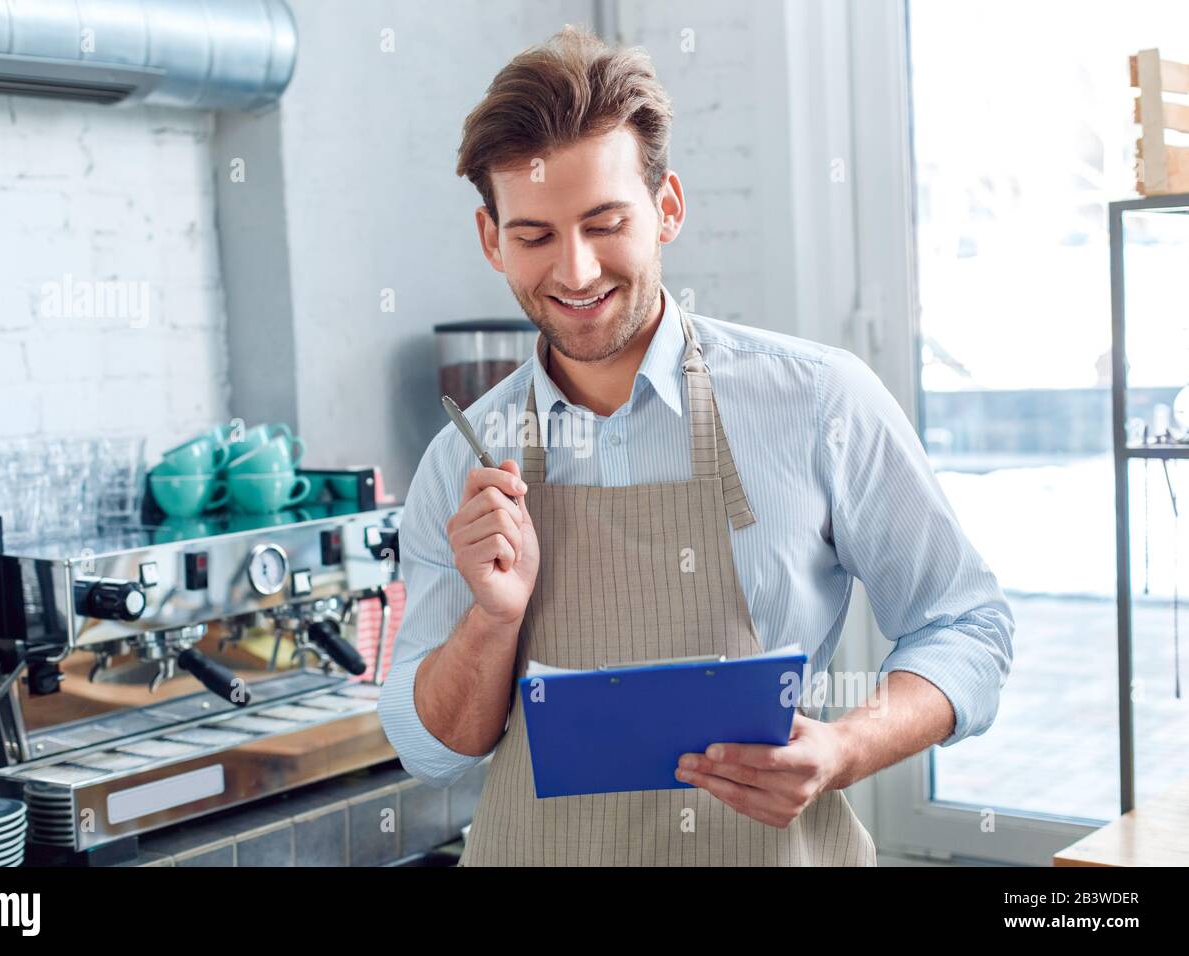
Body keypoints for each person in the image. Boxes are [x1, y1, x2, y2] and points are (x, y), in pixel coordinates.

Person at [378, 24, 1013, 866]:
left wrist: (844, 749)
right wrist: (493, 621)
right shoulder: (463, 460)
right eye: (534, 236)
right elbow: (436, 753)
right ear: (492, 239)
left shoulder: (818, 400)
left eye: (605, 223)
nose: (574, 271)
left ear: (667, 207)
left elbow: (966, 624)